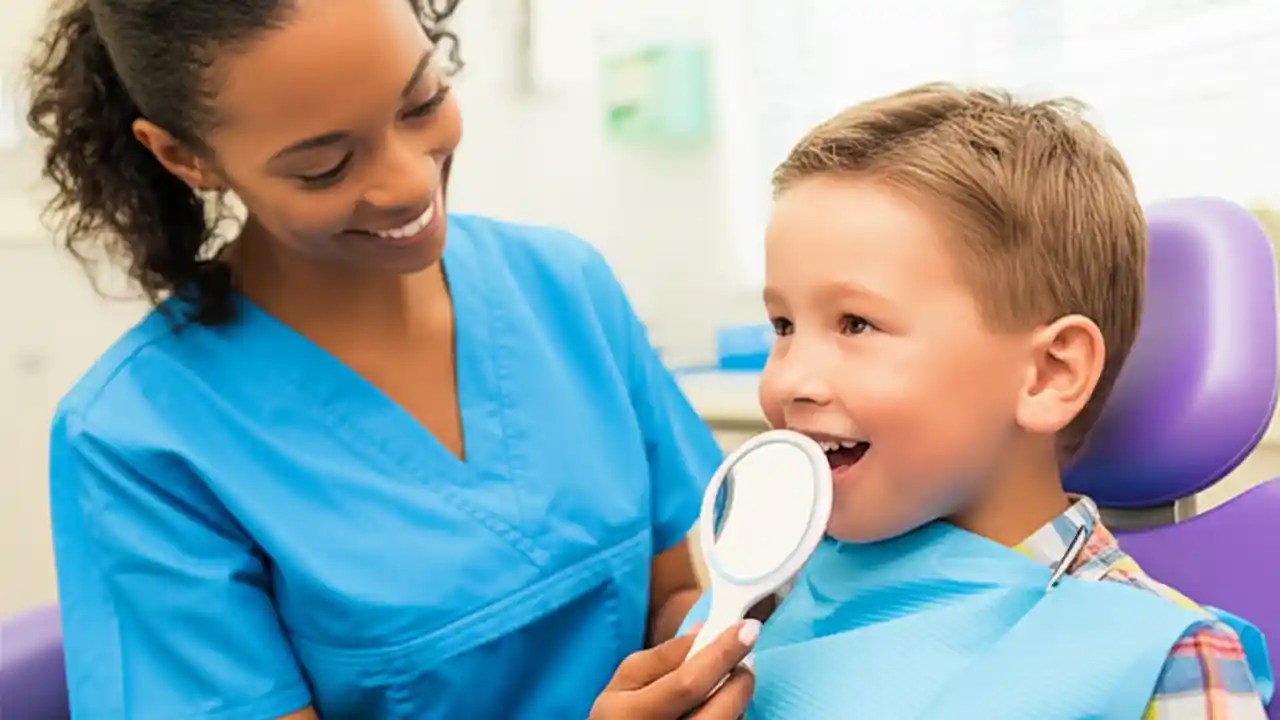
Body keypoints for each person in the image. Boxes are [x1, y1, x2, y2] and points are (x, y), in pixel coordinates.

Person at [27, 0, 759, 717]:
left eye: (421, 102)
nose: (410, 181)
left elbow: (670, 598)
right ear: (186, 157)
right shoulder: (139, 440)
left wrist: (711, 650)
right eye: (324, 166)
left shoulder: (564, 289)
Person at [684, 84, 1271, 717]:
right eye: (783, 327)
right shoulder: (760, 596)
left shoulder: (1163, 665)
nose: (790, 380)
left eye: (856, 324)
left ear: (1049, 373)